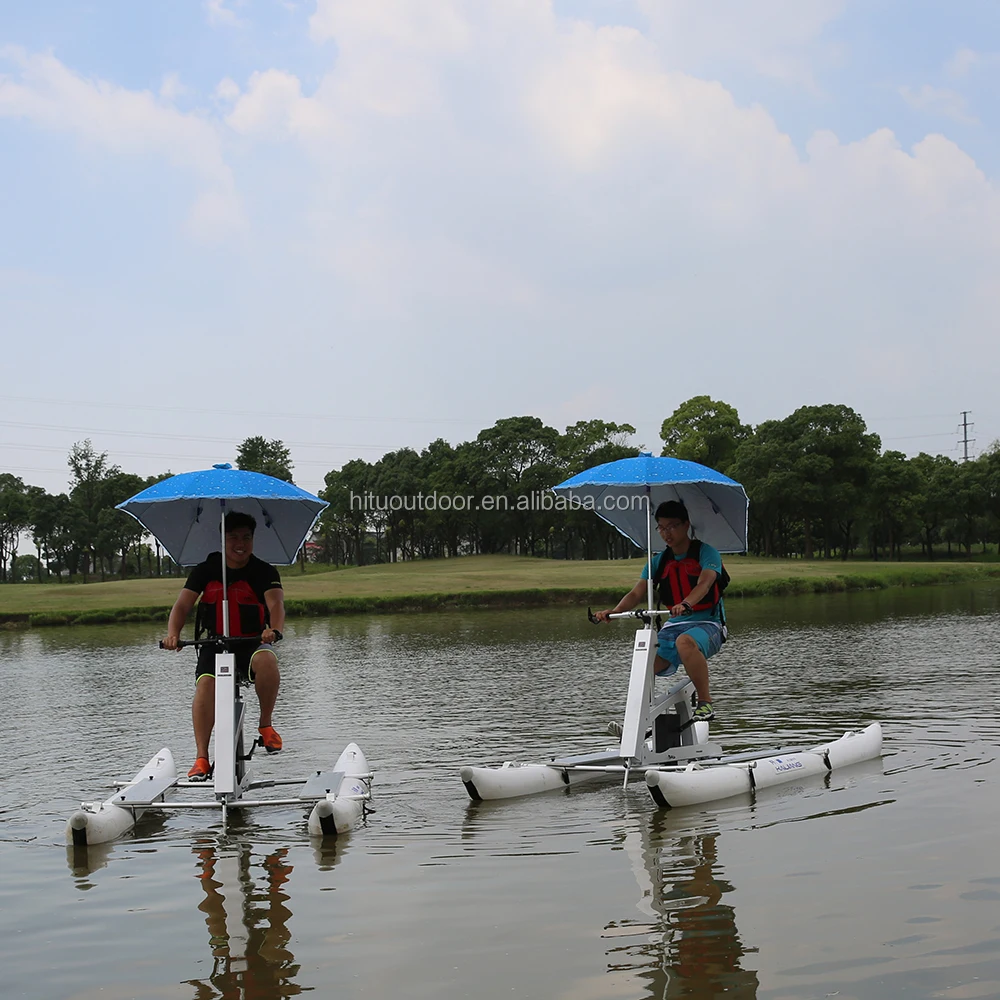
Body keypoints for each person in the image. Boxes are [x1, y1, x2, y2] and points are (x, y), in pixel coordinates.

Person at [163, 511, 286, 779]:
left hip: (253, 642)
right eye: (233, 538)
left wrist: (274, 630)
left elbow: (276, 604)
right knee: (206, 684)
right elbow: (183, 604)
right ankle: (201, 758)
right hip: (214, 644)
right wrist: (173, 634)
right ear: (222, 539)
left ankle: (265, 725)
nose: (240, 544)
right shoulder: (206, 569)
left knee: (267, 661)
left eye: (246, 537)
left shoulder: (264, 571)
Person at [594, 500, 726, 721]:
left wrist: (685, 604)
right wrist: (614, 611)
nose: (667, 533)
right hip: (674, 625)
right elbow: (637, 593)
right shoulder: (658, 561)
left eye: (672, 526)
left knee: (684, 642)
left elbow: (704, 584)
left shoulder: (707, 553)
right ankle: (642, 718)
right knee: (645, 661)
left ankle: (705, 703)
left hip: (709, 624)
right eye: (662, 528)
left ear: (686, 525)